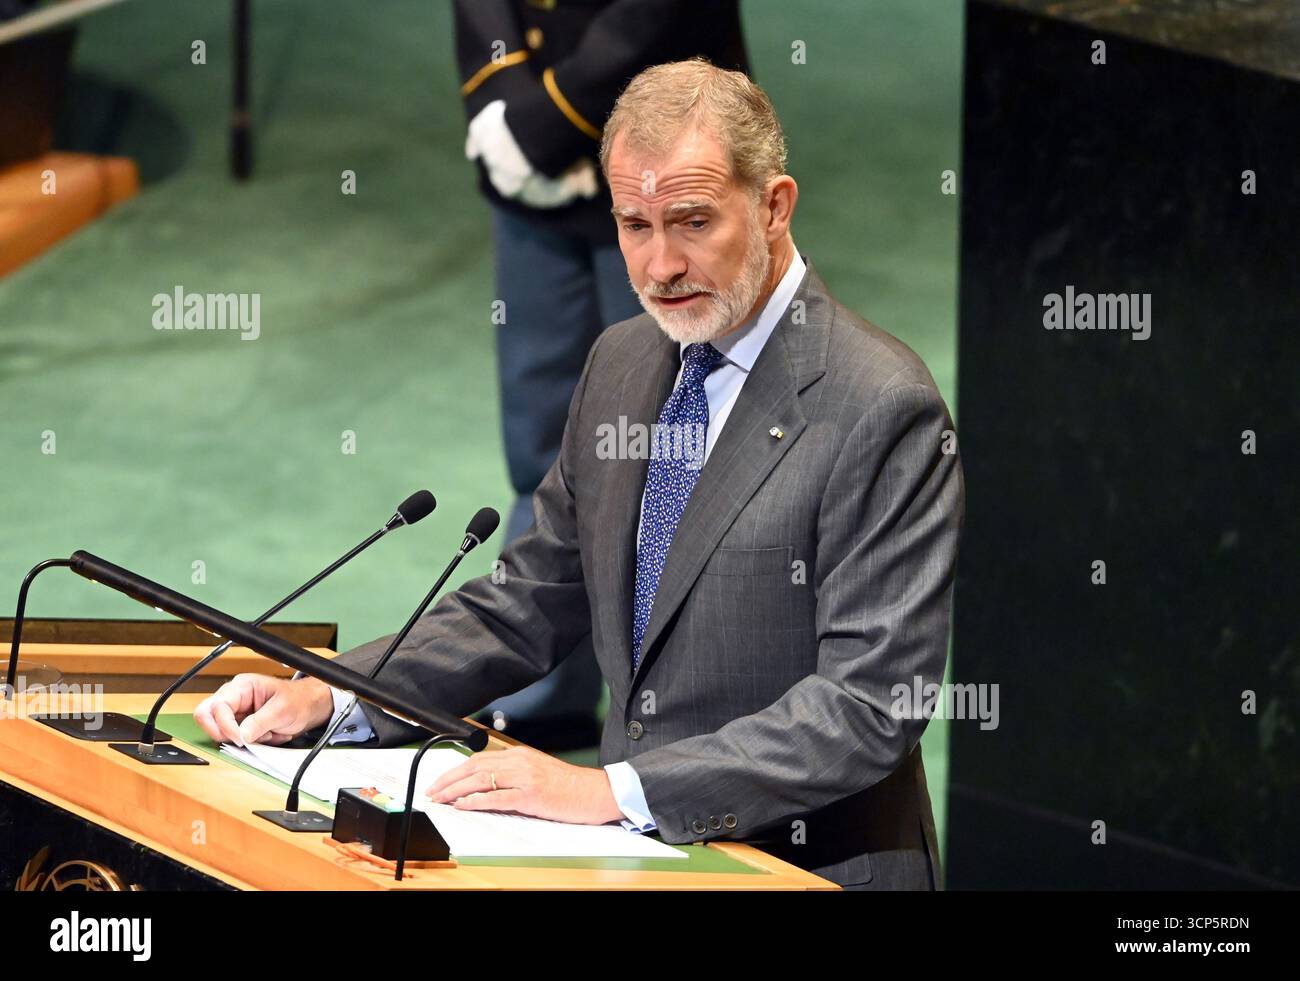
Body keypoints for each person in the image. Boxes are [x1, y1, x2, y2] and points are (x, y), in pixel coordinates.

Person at [195, 59, 964, 890]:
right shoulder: (624, 361)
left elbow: (865, 706)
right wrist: (340, 695)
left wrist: (612, 791)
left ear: (774, 206)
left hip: (805, 867)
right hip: (638, 864)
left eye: (693, 222)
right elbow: (533, 597)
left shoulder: (881, 406)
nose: (660, 264)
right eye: (634, 225)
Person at [451, 0, 749, 746]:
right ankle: (542, 694)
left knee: (678, 443)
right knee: (541, 443)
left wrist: (544, 125)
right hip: (530, 182)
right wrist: (504, 104)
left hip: (667, 173)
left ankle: (680, 716)